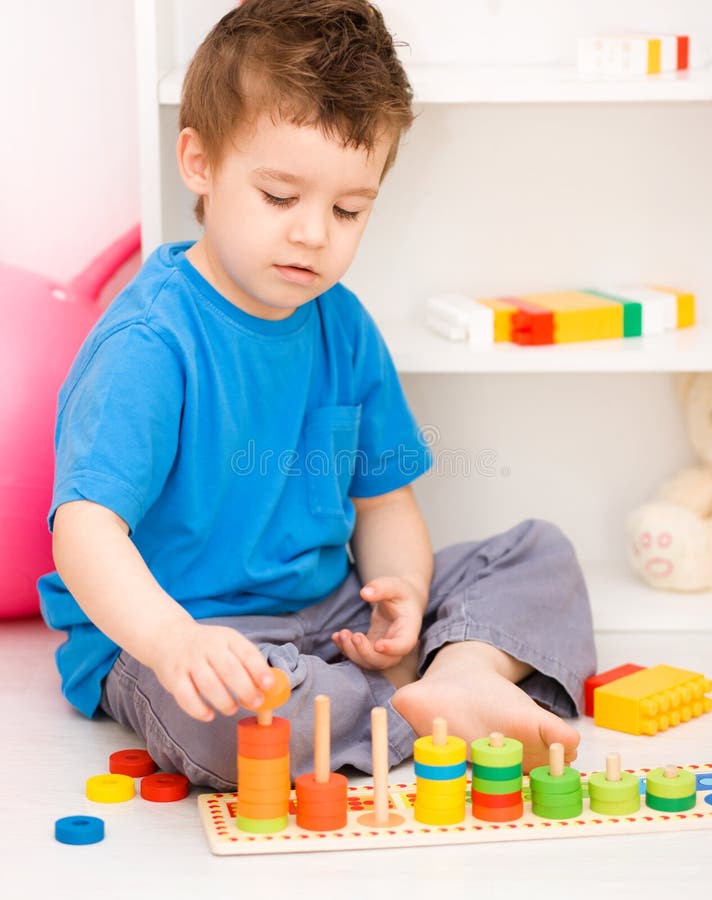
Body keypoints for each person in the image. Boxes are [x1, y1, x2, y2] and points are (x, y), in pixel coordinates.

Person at [39, 0, 596, 789]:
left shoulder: (343, 324)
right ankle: (414, 702)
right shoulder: (152, 342)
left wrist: (401, 593)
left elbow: (384, 503)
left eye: (346, 210)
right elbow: (84, 530)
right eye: (279, 197)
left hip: (328, 618)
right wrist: (172, 642)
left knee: (538, 554)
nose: (313, 234)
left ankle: (448, 675)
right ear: (199, 163)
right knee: (232, 717)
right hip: (185, 636)